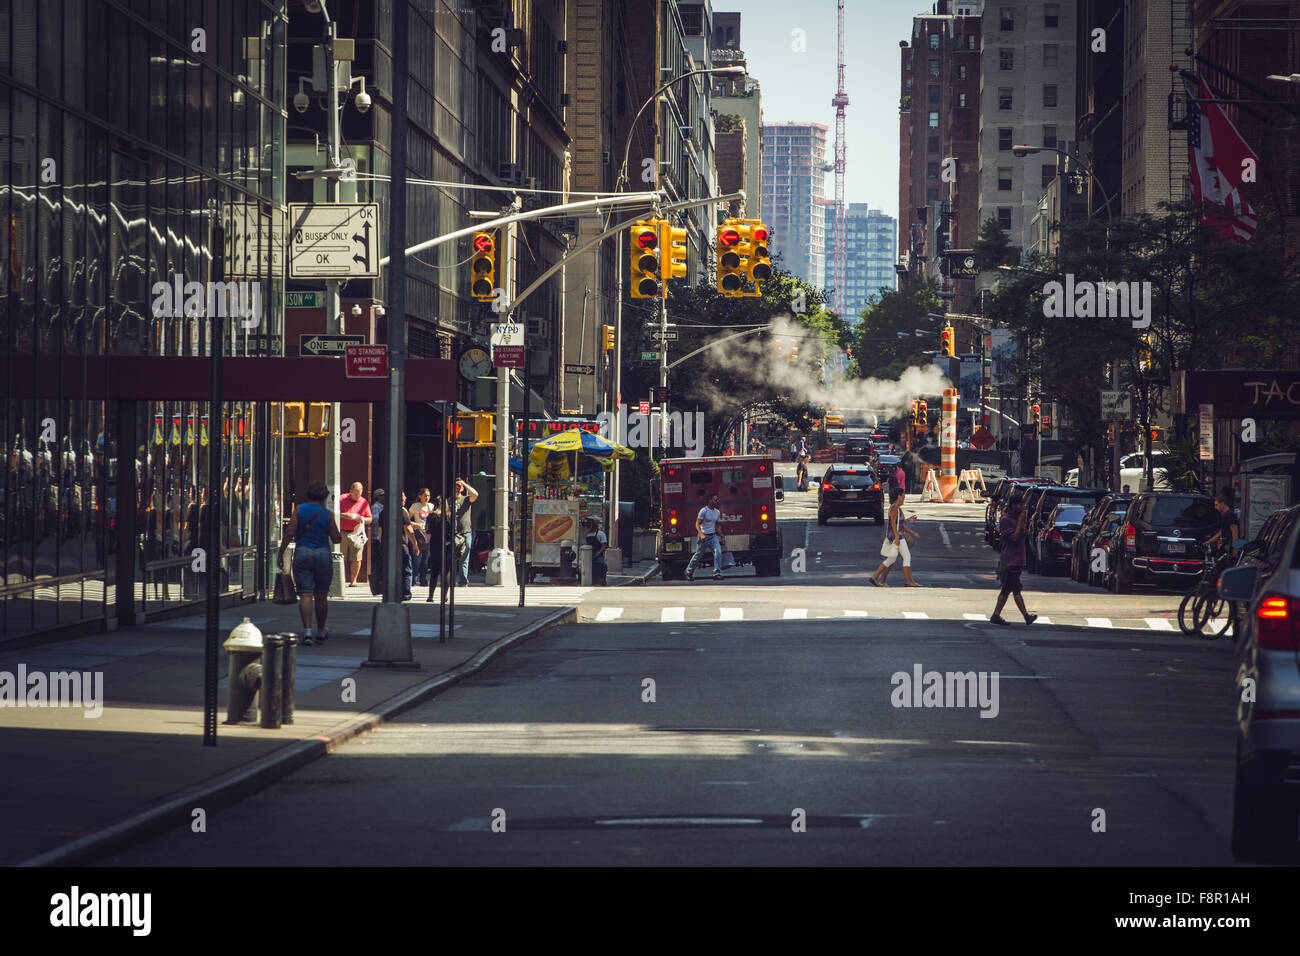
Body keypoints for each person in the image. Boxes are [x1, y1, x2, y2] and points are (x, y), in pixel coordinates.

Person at [278, 480, 342, 645]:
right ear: (324, 496)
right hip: (322, 554)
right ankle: (320, 631)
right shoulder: (327, 514)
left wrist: (281, 553)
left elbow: (289, 533)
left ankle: (307, 632)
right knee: (321, 596)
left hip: (303, 552)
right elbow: (336, 538)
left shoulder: (299, 510)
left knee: (305, 594)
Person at [990, 497, 1038, 625]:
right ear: (1012, 505)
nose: (1022, 507)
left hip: (1019, 559)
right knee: (1015, 588)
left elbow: (1025, 533)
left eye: (1023, 504)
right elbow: (1014, 537)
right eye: (1019, 504)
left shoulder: (1018, 519)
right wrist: (1020, 522)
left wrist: (1023, 524)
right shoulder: (1006, 520)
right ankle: (1026, 615)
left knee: (1007, 589)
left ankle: (996, 615)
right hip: (1011, 559)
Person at [871, 491, 920, 587]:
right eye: (903, 495)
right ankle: (908, 581)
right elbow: (893, 523)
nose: (904, 497)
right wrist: (897, 537)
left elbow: (900, 523)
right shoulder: (894, 508)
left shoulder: (897, 508)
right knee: (906, 557)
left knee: (891, 558)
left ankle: (875, 577)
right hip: (897, 537)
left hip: (896, 536)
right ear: (899, 496)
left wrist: (909, 521)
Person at [339, 481, 372, 587]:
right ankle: (340, 580)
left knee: (356, 557)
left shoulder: (363, 502)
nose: (358, 495)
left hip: (356, 533)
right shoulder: (341, 499)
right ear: (350, 491)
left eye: (360, 493)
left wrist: (361, 518)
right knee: (340, 556)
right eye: (356, 493)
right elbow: (331, 512)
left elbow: (370, 519)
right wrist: (342, 515)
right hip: (342, 531)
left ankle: (353, 581)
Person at [685, 493, 724, 582]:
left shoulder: (717, 512)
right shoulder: (704, 511)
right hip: (704, 536)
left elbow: (717, 526)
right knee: (698, 555)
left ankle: (717, 573)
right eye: (715, 499)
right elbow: (697, 524)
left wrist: (722, 536)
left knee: (718, 552)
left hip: (713, 536)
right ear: (710, 501)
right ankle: (688, 571)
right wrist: (701, 534)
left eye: (717, 499)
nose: (717, 501)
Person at [449, 478, 478, 586]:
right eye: (456, 485)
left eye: (459, 485)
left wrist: (465, 484)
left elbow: (475, 494)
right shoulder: (449, 500)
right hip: (453, 532)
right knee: (452, 558)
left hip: (466, 532)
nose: (458, 487)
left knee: (464, 557)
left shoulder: (466, 499)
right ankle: (451, 580)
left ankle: (463, 581)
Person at [408, 488, 434, 586]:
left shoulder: (431, 506)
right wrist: (415, 524)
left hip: (428, 534)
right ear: (420, 496)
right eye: (425, 496)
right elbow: (407, 520)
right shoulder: (415, 506)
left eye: (428, 496)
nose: (427, 498)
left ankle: (423, 579)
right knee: (417, 558)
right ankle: (414, 579)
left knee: (426, 559)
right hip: (418, 534)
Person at [1206, 486, 1240, 558]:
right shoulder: (1224, 515)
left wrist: (1235, 549)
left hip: (1229, 546)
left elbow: (1235, 533)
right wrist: (1210, 541)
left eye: (1216, 505)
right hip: (1224, 546)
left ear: (1223, 503)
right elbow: (1222, 531)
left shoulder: (1230, 515)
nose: (1215, 507)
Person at [585, 516, 608, 585]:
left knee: (602, 564)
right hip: (588, 555)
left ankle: (602, 579)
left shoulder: (601, 534)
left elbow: (604, 546)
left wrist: (598, 552)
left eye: (590, 522)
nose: (588, 524)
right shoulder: (587, 534)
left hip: (597, 555)